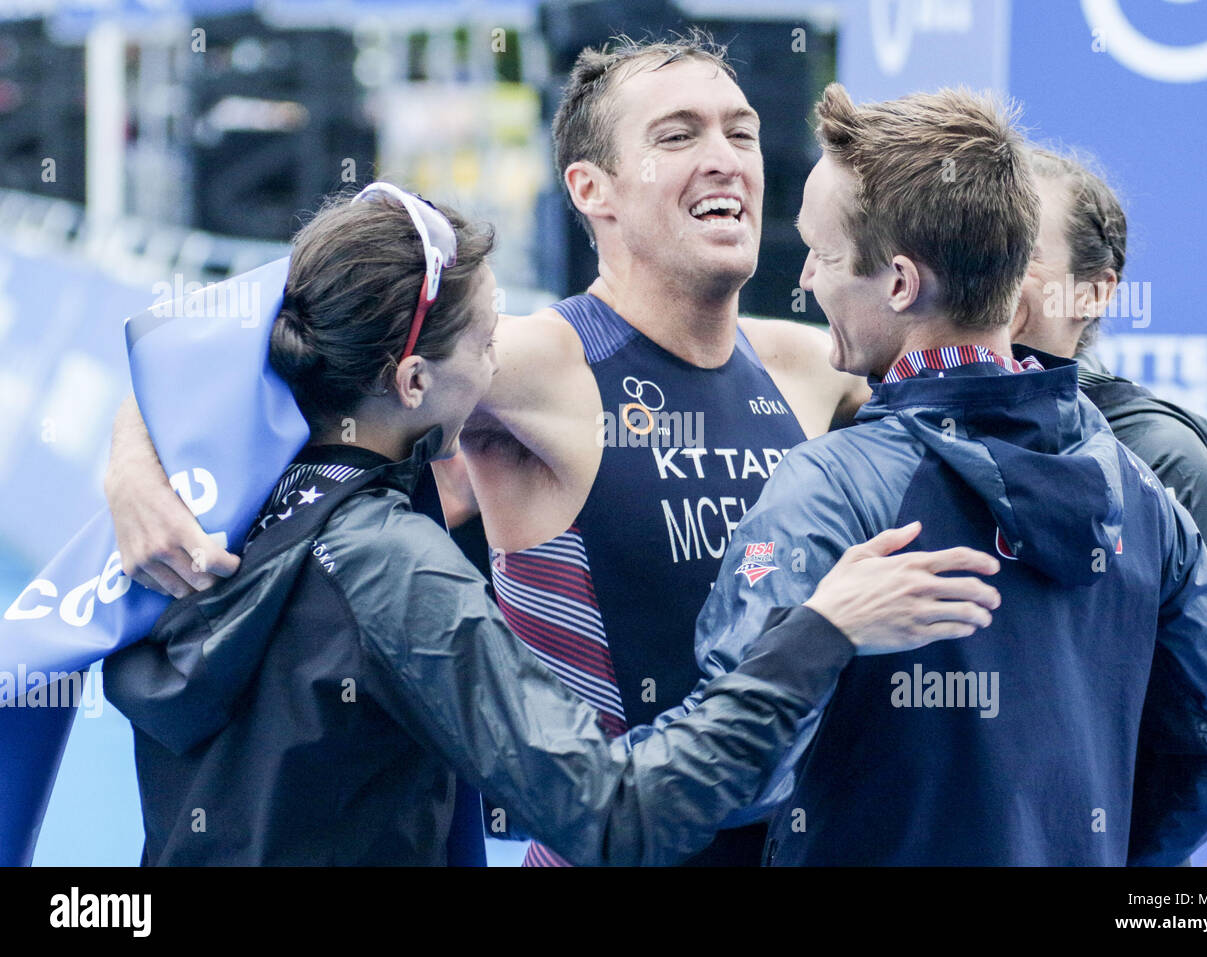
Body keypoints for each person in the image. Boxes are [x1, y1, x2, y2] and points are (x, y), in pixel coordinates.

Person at [102, 32, 874, 865]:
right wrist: (132, 462)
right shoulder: (525, 360)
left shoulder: (812, 366)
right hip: (611, 825)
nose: (724, 158)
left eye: (742, 130)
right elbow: (291, 320)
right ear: (591, 188)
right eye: (678, 135)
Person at [640, 85, 1207, 865]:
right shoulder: (1137, 488)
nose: (807, 279)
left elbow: (735, 773)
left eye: (824, 254)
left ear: (901, 283)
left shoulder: (826, 487)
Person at [1010, 147, 1207, 573]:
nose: (991, 267)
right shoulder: (889, 407)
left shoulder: (1160, 459)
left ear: (1094, 293)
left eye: (1023, 250)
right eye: (981, 242)